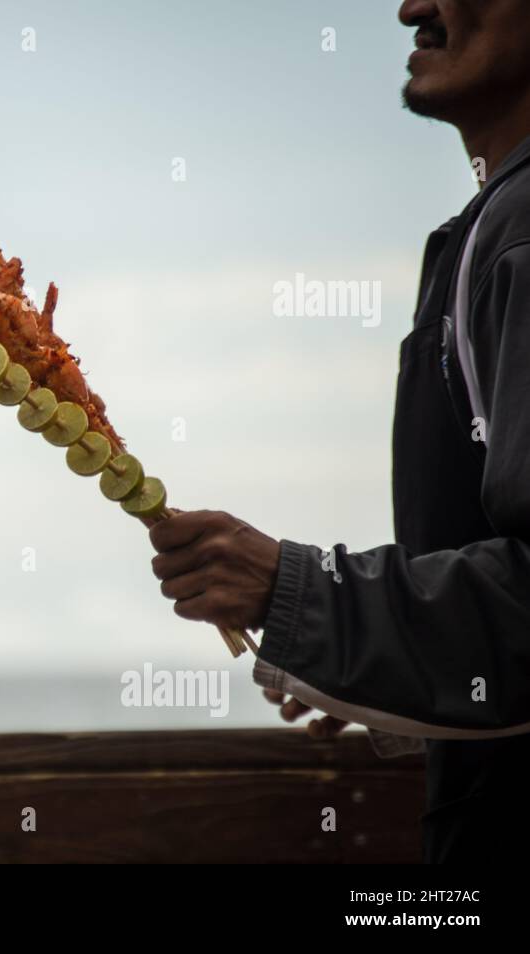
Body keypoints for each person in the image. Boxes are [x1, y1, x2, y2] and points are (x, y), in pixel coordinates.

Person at [148, 0, 530, 863]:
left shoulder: (522, 228)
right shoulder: (489, 227)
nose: (412, 6)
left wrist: (298, 594)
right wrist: (369, 668)